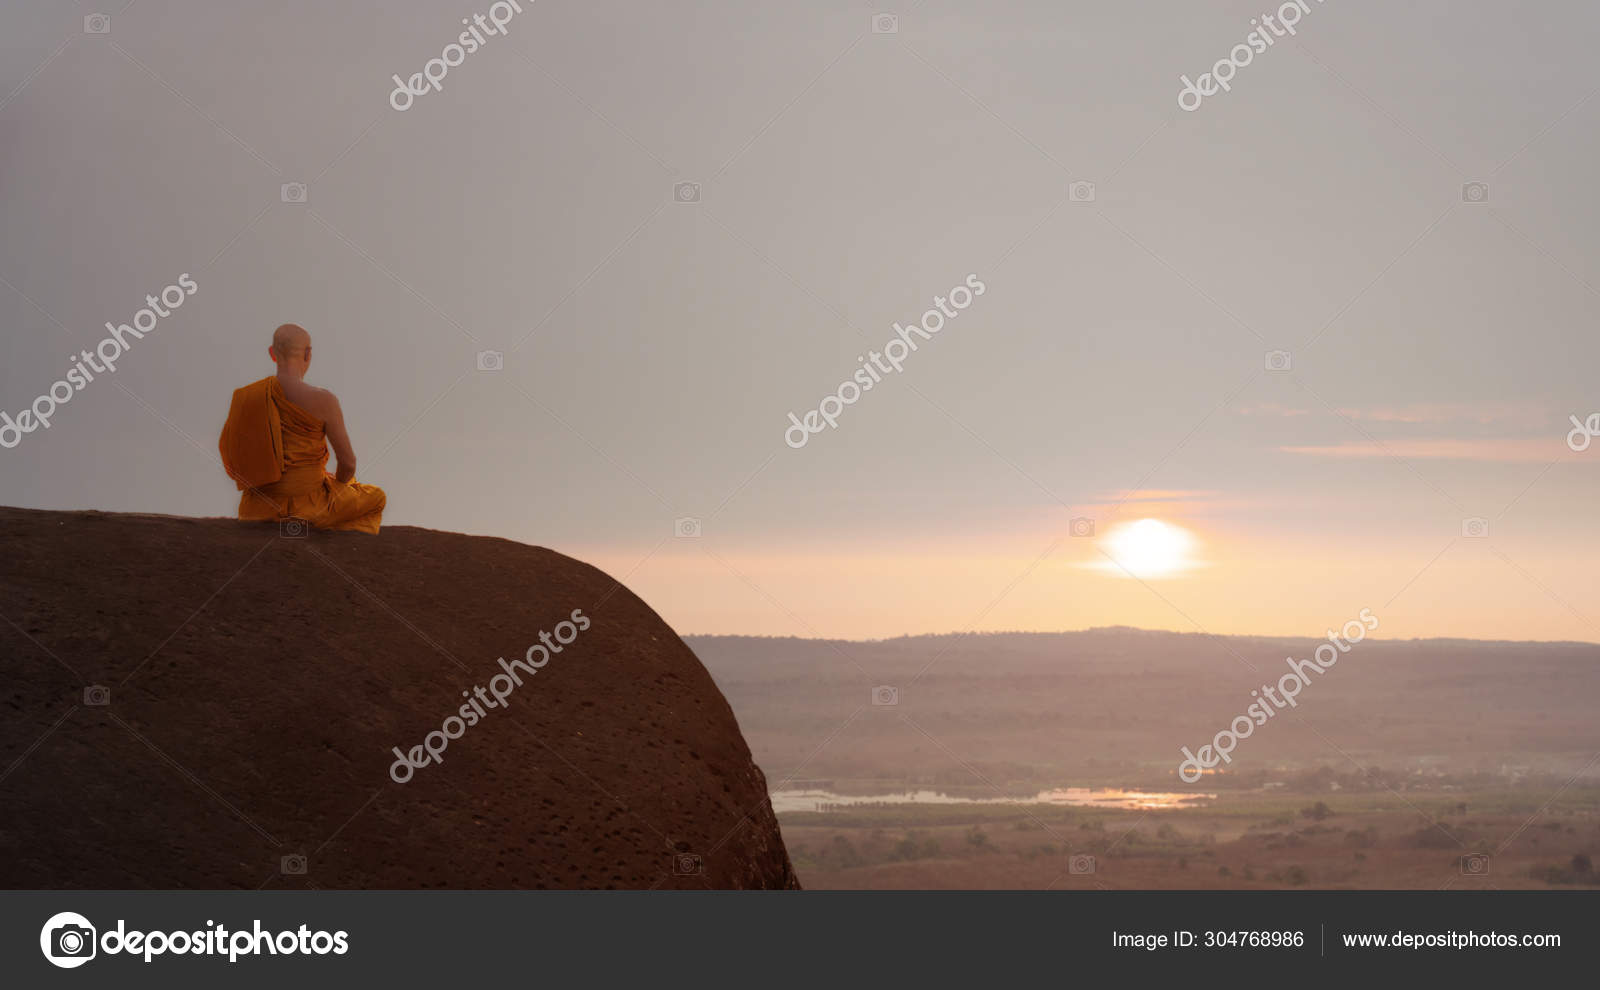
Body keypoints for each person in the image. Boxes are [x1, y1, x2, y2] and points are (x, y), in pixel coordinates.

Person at [218, 324, 386, 534]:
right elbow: (348, 463)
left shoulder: (247, 397)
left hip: (256, 508)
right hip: (308, 509)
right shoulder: (324, 400)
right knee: (376, 497)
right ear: (308, 354)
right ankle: (326, 532)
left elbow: (231, 456)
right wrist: (336, 487)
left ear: (272, 353)